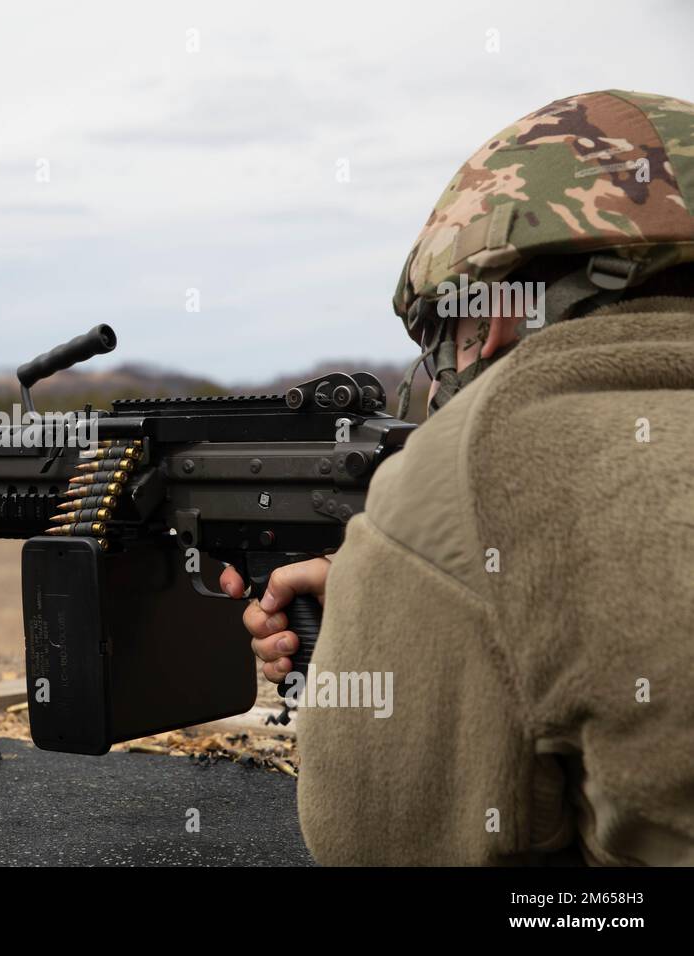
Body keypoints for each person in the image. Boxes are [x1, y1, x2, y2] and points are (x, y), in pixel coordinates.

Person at [222, 89, 694, 865]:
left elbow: (372, 841)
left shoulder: (468, 466)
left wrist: (410, 563)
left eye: (438, 335)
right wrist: (406, 594)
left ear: (490, 318)